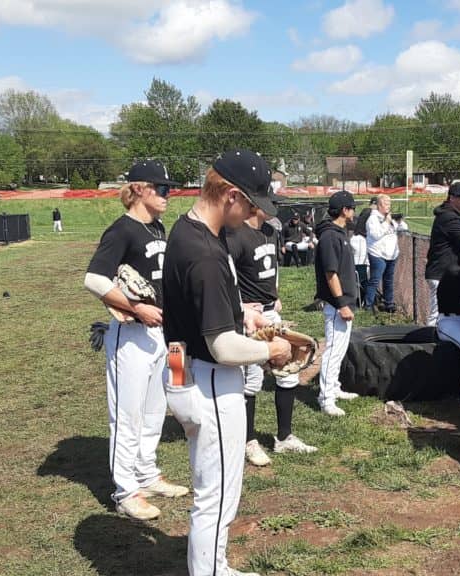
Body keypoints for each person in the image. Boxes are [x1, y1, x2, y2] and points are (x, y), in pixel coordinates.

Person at [163, 149, 291, 576]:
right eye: (252, 204)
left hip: (181, 366)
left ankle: (212, 567)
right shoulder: (206, 252)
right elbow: (222, 347)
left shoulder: (187, 228)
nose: (254, 213)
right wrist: (271, 350)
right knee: (217, 494)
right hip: (210, 379)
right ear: (231, 195)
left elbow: (203, 308)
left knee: (210, 488)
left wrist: (243, 314)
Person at [83, 159, 190, 520]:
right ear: (140, 189)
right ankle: (126, 491)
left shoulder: (157, 228)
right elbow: (95, 280)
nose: (167, 195)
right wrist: (136, 307)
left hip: (162, 336)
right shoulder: (122, 230)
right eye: (162, 189)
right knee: (127, 416)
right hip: (130, 336)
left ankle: (147, 473)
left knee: (154, 411)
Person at [226, 198, 318, 468]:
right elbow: (226, 277)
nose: (272, 206)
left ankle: (284, 436)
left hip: (270, 312)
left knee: (288, 372)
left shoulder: (271, 230)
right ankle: (248, 441)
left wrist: (274, 295)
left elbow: (273, 268)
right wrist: (240, 307)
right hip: (249, 318)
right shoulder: (235, 235)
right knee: (252, 379)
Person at [315, 190, 360, 417]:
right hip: (336, 305)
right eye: (352, 207)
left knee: (340, 350)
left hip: (344, 302)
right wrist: (341, 303)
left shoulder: (339, 233)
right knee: (333, 351)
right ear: (344, 210)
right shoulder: (330, 236)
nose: (354, 211)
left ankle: (333, 387)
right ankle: (326, 398)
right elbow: (330, 273)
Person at [424, 182, 460, 327]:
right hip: (441, 273)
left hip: (443, 272)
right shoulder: (449, 217)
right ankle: (429, 346)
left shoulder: (449, 214)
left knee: (443, 314)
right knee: (437, 316)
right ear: (451, 198)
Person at [365, 194, 399, 312]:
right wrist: (386, 222)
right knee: (375, 279)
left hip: (391, 254)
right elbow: (376, 234)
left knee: (388, 280)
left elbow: (399, 229)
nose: (388, 206)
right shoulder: (373, 219)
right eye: (385, 204)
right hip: (377, 253)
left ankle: (388, 303)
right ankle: (368, 304)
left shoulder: (389, 218)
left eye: (389, 204)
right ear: (379, 205)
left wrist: (397, 221)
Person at [348, 221, 368, 308]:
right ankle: (364, 302)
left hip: (353, 267)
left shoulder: (352, 239)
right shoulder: (364, 239)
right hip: (363, 267)